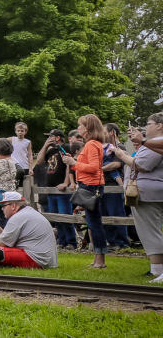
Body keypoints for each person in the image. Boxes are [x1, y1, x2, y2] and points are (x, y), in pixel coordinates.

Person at [109, 113, 163, 282]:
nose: (145, 127)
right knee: (147, 231)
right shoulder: (152, 144)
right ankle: (157, 270)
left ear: (159, 125)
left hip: (149, 194)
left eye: (148, 123)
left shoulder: (156, 143)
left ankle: (158, 270)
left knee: (150, 230)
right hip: (148, 192)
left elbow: (142, 165)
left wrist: (121, 155)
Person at [60, 114, 109, 269]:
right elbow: (86, 167)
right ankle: (97, 259)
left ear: (88, 128)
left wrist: (75, 162)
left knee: (94, 224)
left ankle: (100, 261)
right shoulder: (92, 144)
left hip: (91, 187)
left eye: (80, 125)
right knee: (92, 223)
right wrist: (73, 162)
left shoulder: (92, 144)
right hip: (90, 186)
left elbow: (94, 168)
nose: (78, 128)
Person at [0, 191, 59, 269]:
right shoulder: (26, 212)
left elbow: (0, 243)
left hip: (38, 260)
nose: (2, 208)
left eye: (4, 205)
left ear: (13, 206)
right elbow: (7, 238)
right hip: (45, 260)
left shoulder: (17, 217)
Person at [35, 129, 77, 249]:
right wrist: (45, 145)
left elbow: (69, 165)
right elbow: (39, 161)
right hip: (50, 189)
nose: (48, 139)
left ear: (57, 138)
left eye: (50, 137)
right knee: (55, 217)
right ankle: (61, 241)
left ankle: (71, 242)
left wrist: (66, 183)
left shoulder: (66, 148)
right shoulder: (51, 150)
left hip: (61, 189)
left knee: (65, 215)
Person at [101, 124, 132, 250]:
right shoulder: (101, 147)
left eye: (104, 131)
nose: (101, 134)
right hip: (101, 184)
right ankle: (111, 241)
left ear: (112, 132)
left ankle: (121, 242)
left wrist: (99, 169)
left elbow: (116, 164)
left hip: (114, 185)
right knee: (104, 214)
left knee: (116, 213)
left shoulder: (120, 147)